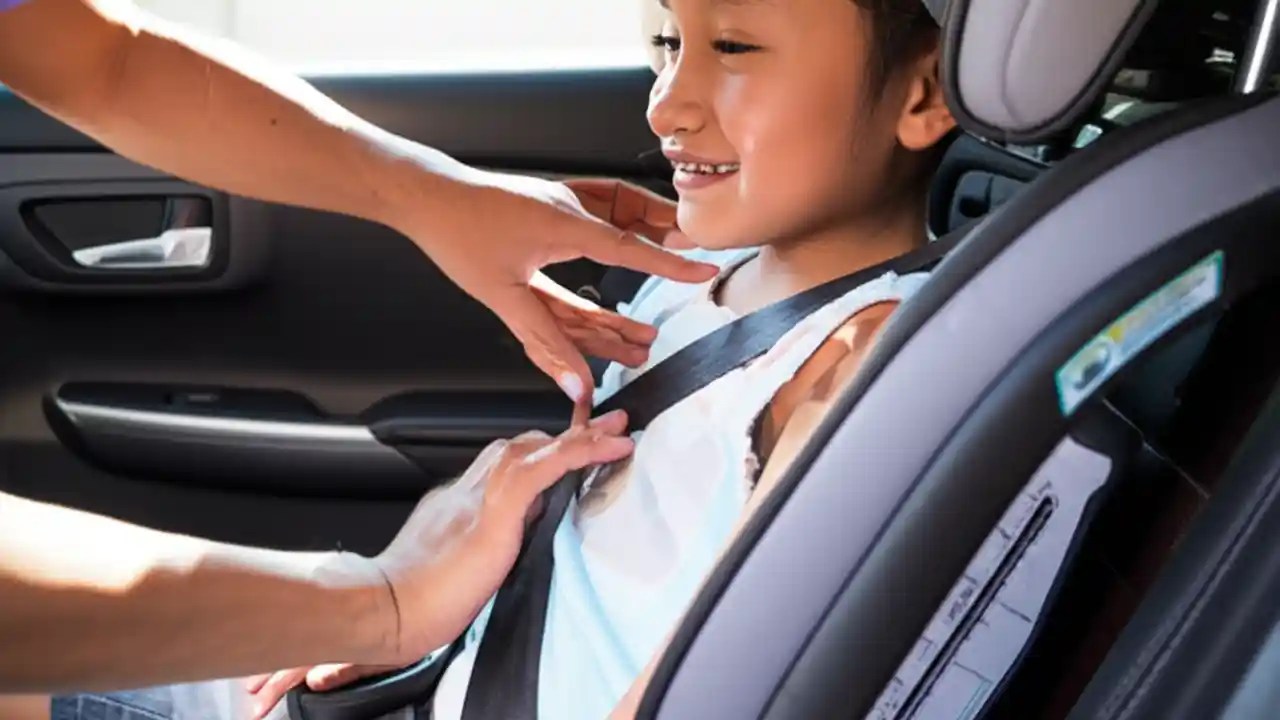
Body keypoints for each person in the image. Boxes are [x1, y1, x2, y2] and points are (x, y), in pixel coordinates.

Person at [24, 0, 958, 717]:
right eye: (669, 41)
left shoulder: (858, 367)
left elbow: (708, 690)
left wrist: (376, 606)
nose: (666, 103)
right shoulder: (705, 269)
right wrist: (384, 615)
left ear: (920, 94)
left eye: (736, 47)